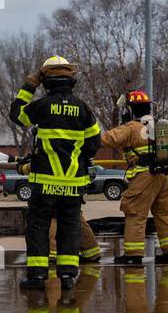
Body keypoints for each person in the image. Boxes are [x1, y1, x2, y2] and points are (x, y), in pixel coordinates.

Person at [9, 56, 101, 292]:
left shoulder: (41, 106)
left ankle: (37, 277)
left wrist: (29, 85)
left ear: (46, 82)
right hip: (72, 184)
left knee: (38, 227)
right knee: (69, 227)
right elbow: (94, 143)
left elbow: (16, 113)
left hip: (45, 183)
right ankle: (68, 276)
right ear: (72, 81)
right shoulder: (83, 108)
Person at [100, 89, 168, 264]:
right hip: (164, 176)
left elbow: (107, 139)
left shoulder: (131, 128)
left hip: (144, 175)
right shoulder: (160, 127)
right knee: (164, 214)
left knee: (135, 213)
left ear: (129, 110)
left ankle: (133, 254)